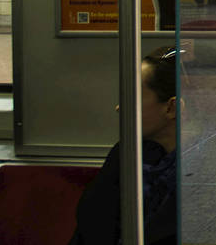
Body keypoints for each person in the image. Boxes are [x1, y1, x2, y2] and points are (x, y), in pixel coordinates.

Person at [70, 46, 178, 245]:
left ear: (171, 108)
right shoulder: (127, 155)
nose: (119, 107)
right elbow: (89, 230)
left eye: (134, 98)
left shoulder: (207, 177)